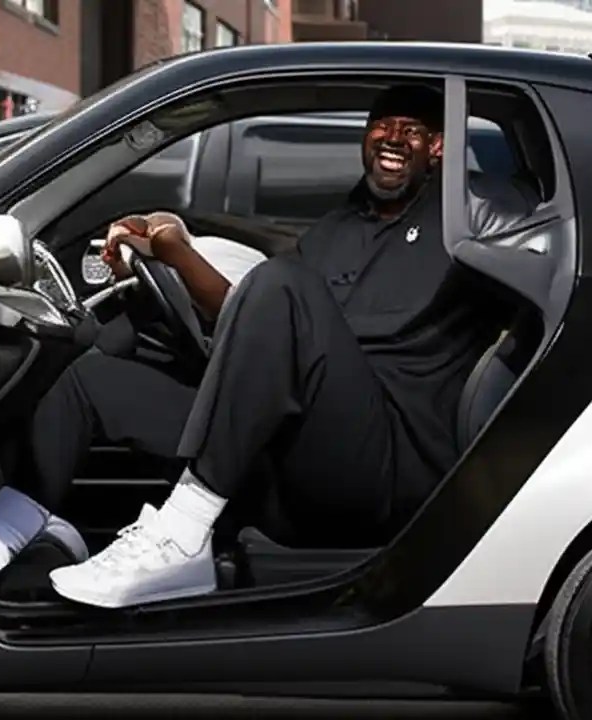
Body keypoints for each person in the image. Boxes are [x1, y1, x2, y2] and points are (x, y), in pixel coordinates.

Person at [29, 84, 537, 608]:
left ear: (437, 148)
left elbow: (279, 296)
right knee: (92, 382)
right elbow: (254, 314)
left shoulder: (467, 225)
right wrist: (175, 253)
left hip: (386, 463)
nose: (391, 138)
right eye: (382, 126)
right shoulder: (337, 228)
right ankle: (5, 538)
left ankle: (183, 533)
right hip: (303, 444)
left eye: (411, 131)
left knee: (279, 282)